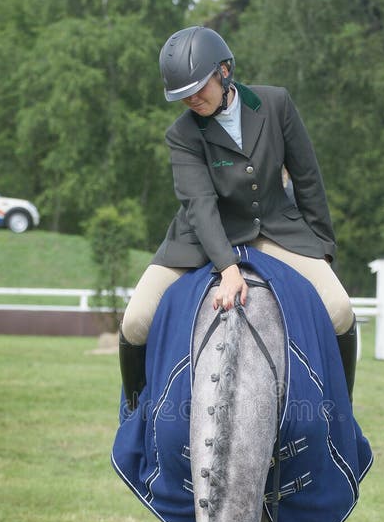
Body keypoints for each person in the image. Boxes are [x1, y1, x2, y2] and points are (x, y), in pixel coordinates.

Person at [119, 25, 358, 408]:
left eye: (199, 89)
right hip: (200, 240)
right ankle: (137, 415)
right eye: (183, 96)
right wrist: (228, 267)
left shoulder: (276, 103)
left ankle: (341, 408)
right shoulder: (181, 134)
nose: (193, 100)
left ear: (224, 71)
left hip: (275, 231)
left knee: (341, 310)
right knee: (134, 322)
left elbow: (308, 179)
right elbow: (200, 205)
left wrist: (323, 251)